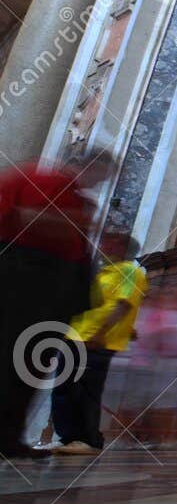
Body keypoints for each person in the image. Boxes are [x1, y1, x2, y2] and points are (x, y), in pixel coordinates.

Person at [0, 153, 106, 461]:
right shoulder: (40, 178)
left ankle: (8, 437)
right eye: (99, 174)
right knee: (12, 360)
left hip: (52, 288)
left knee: (30, 366)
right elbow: (22, 217)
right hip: (26, 279)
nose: (98, 182)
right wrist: (74, 220)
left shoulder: (75, 195)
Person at [49, 231, 147, 455]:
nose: (102, 245)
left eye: (108, 242)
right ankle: (68, 437)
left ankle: (88, 439)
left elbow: (124, 304)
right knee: (64, 388)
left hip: (96, 340)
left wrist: (102, 332)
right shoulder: (103, 273)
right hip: (75, 335)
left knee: (85, 389)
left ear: (121, 247)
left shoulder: (130, 271)